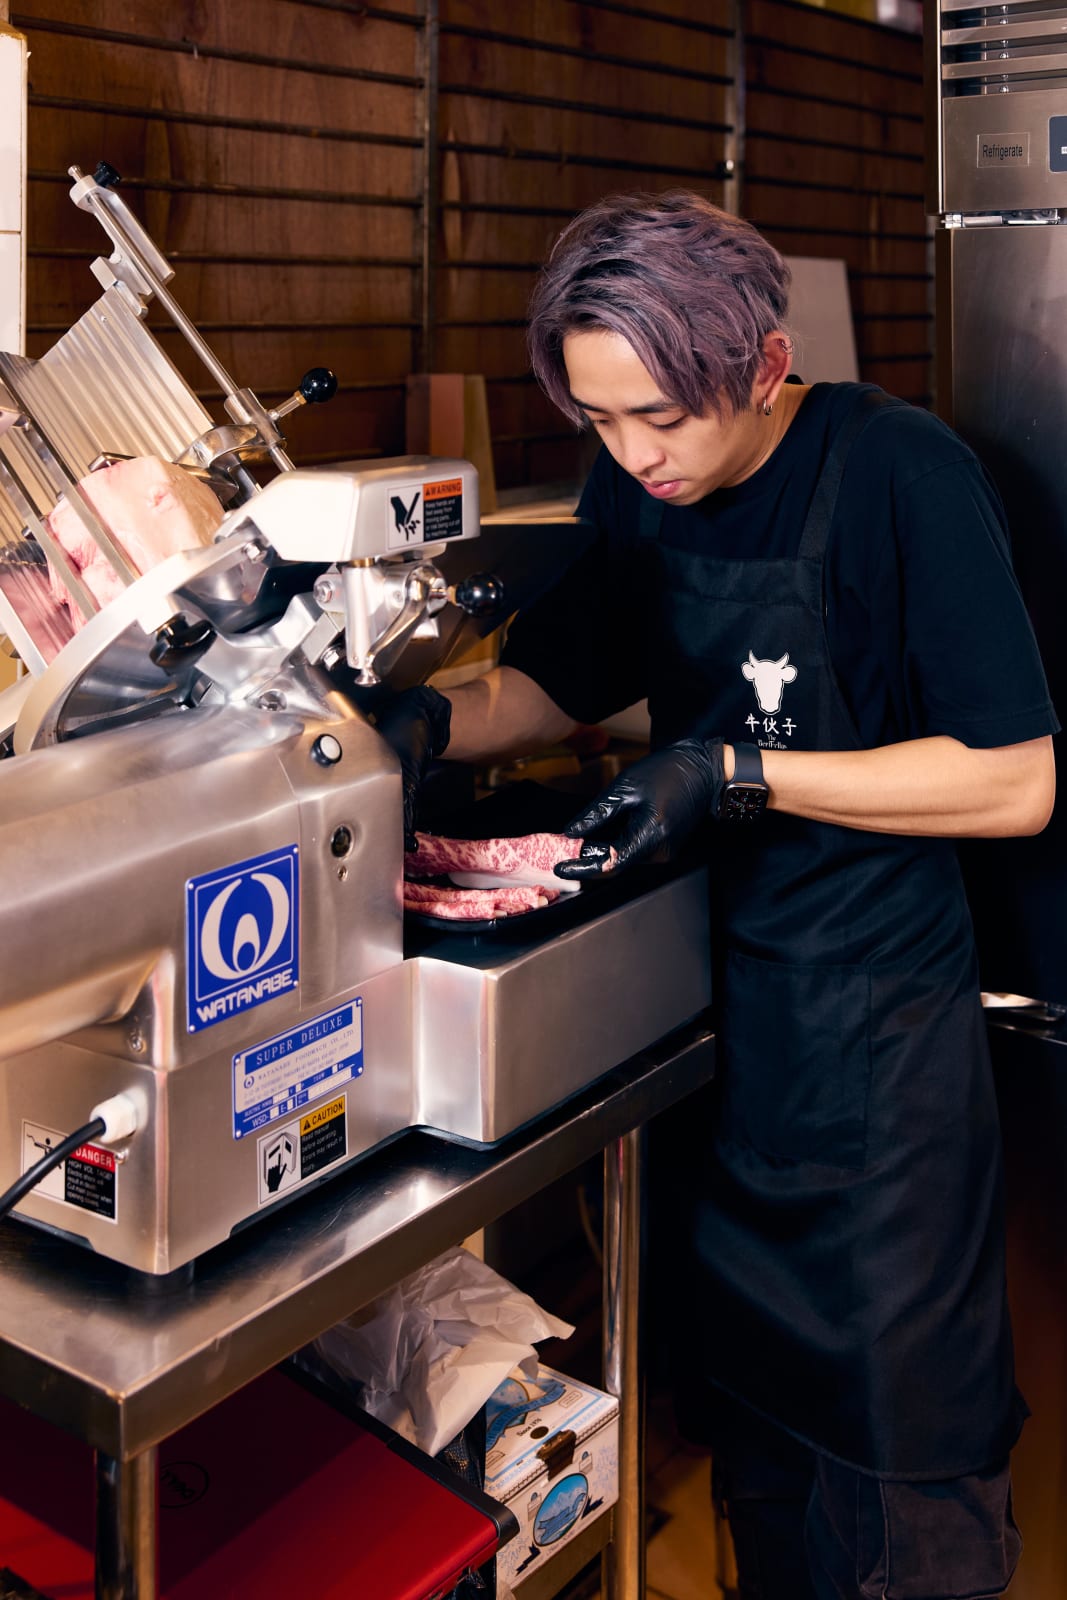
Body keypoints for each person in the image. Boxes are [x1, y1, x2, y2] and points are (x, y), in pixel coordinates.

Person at [385, 192, 1057, 1598]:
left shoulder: (898, 471)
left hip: (880, 1057)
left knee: (892, 1475)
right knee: (755, 1446)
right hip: (723, 1033)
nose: (636, 458)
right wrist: (420, 724)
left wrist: (748, 775)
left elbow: (1014, 780)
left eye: (663, 422)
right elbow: (552, 683)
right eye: (602, 423)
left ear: (760, 363)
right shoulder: (636, 481)